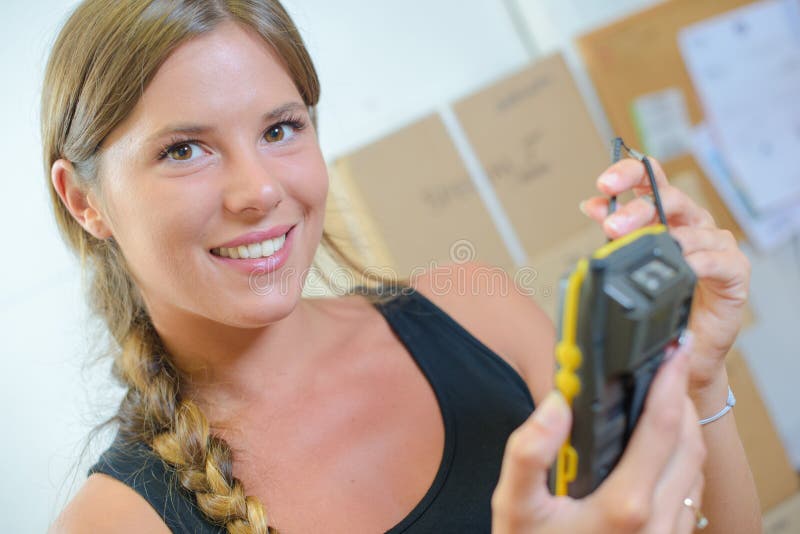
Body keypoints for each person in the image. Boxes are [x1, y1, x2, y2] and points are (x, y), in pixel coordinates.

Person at [45, 1, 760, 533]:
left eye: (280, 128)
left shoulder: (481, 313)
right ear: (85, 201)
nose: (260, 189)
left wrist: (694, 376)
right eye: (183, 150)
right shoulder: (114, 521)